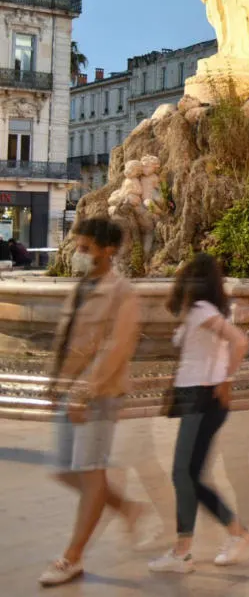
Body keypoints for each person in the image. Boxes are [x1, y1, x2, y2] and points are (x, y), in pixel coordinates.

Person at [39, 219, 147, 587]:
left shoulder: (123, 293)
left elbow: (115, 348)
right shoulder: (83, 286)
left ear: (107, 250)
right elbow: (69, 338)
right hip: (73, 391)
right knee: (67, 470)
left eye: (84, 247)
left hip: (100, 396)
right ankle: (126, 507)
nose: (77, 253)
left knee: (88, 469)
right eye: (77, 246)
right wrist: (56, 384)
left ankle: (72, 558)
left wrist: (85, 391)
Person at [148, 254, 249, 574]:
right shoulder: (202, 311)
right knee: (189, 474)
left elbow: (240, 341)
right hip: (198, 398)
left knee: (185, 473)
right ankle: (204, 543)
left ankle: (206, 544)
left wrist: (225, 381)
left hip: (202, 398)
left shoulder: (201, 311)